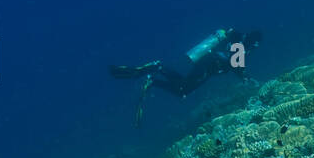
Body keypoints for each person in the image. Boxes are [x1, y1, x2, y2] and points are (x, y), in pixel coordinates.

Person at [111, 28, 262, 125]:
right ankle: (157, 71)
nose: (255, 48)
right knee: (183, 90)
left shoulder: (236, 40)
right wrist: (247, 78)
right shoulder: (240, 45)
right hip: (207, 67)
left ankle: (155, 75)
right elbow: (237, 66)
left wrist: (243, 76)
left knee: (182, 88)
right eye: (255, 44)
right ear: (252, 40)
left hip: (207, 66)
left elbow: (235, 65)